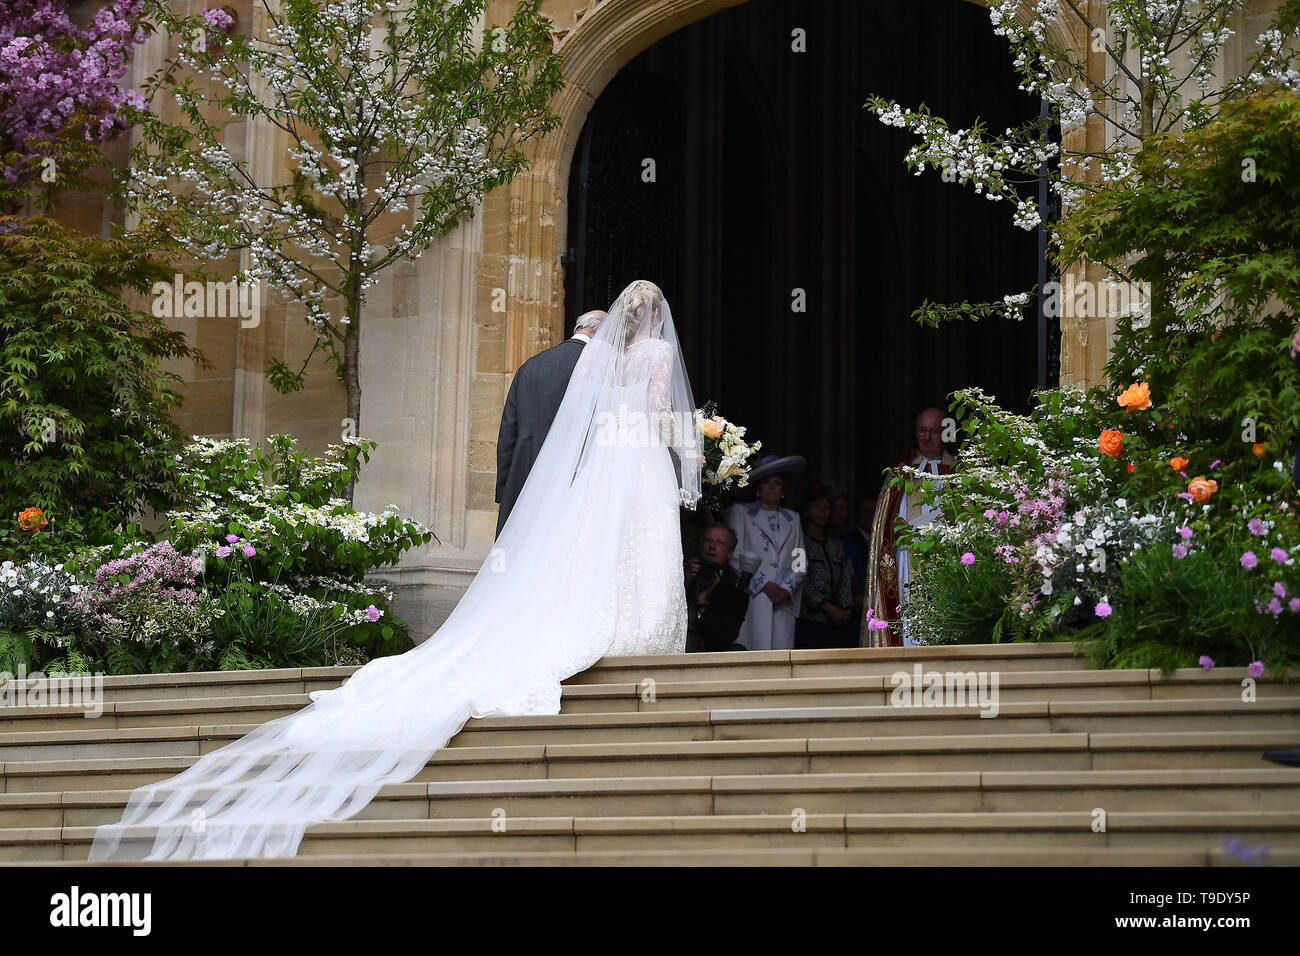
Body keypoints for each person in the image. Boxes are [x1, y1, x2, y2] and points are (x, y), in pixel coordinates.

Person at [89, 279, 702, 861]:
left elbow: (511, 440)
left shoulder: (554, 366)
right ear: (648, 319)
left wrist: (508, 501)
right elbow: (655, 418)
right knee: (635, 544)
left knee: (594, 553)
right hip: (629, 466)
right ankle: (636, 628)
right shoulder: (645, 357)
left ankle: (600, 619)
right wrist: (701, 443)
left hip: (555, 494)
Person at [495, 309, 605, 537]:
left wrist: (505, 490)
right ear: (602, 332)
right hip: (570, 481)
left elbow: (507, 432)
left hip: (523, 476)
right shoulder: (598, 369)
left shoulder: (530, 366)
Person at [863, 407, 955, 647]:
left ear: (946, 433)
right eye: (922, 431)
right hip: (905, 565)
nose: (927, 437)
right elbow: (884, 529)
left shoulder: (959, 474)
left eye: (934, 431)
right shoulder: (899, 473)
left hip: (946, 563)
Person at [726, 455, 806, 650]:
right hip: (753, 597)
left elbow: (800, 561)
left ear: (783, 490)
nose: (771, 487)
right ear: (757, 488)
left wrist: (786, 588)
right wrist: (763, 584)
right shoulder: (741, 512)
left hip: (783, 601)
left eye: (777, 483)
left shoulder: (793, 518)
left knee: (781, 659)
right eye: (766, 483)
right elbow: (733, 553)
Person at [796, 487, 854, 648]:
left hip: (837, 620)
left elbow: (845, 578)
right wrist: (826, 607)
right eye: (816, 506)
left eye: (826, 507)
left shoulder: (836, 545)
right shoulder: (799, 544)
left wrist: (846, 608)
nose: (822, 511)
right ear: (806, 512)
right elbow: (800, 579)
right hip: (810, 620)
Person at [683, 523, 751, 652]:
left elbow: (723, 639)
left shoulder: (735, 594)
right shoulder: (682, 576)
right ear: (701, 545)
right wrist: (682, 585)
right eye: (708, 540)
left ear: (730, 553)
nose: (712, 546)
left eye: (720, 542)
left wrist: (702, 604)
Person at [842, 495, 875, 635]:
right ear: (857, 515)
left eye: (875, 511)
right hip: (856, 609)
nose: (872, 516)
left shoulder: (884, 541)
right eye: (866, 511)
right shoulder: (848, 541)